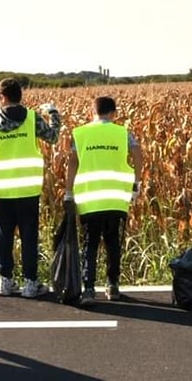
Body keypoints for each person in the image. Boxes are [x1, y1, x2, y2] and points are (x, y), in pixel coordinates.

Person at [0, 78, 61, 298]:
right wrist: (53, 113)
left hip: (1, 191)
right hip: (27, 190)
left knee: (3, 237)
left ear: (2, 97)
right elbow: (53, 137)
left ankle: (6, 282)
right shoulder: (32, 118)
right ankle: (31, 284)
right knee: (29, 236)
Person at [64, 96, 144, 306]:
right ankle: (113, 285)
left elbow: (72, 163)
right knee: (113, 243)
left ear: (93, 112)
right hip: (116, 199)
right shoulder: (122, 133)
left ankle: (89, 289)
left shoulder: (80, 133)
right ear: (113, 113)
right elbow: (137, 152)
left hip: (90, 200)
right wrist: (136, 182)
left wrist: (68, 192)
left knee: (90, 244)